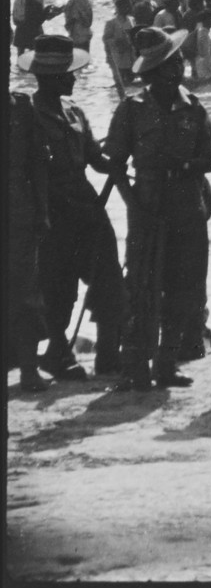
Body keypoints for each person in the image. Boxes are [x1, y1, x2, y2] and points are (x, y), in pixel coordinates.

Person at [105, 27, 211, 392]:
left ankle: (167, 363)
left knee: (184, 287)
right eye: (172, 62)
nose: (181, 65)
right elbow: (116, 166)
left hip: (187, 205)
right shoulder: (132, 110)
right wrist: (133, 206)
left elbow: (209, 158)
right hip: (148, 205)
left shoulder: (194, 107)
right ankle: (135, 366)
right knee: (142, 286)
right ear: (155, 73)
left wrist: (189, 168)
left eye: (180, 59)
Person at [13, 35, 127, 384]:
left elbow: (95, 158)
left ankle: (108, 353)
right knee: (57, 286)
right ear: (49, 78)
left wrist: (119, 158)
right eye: (67, 74)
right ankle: (58, 353)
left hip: (87, 205)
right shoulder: (28, 116)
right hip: (55, 210)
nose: (74, 78)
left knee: (108, 277)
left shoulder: (74, 111)